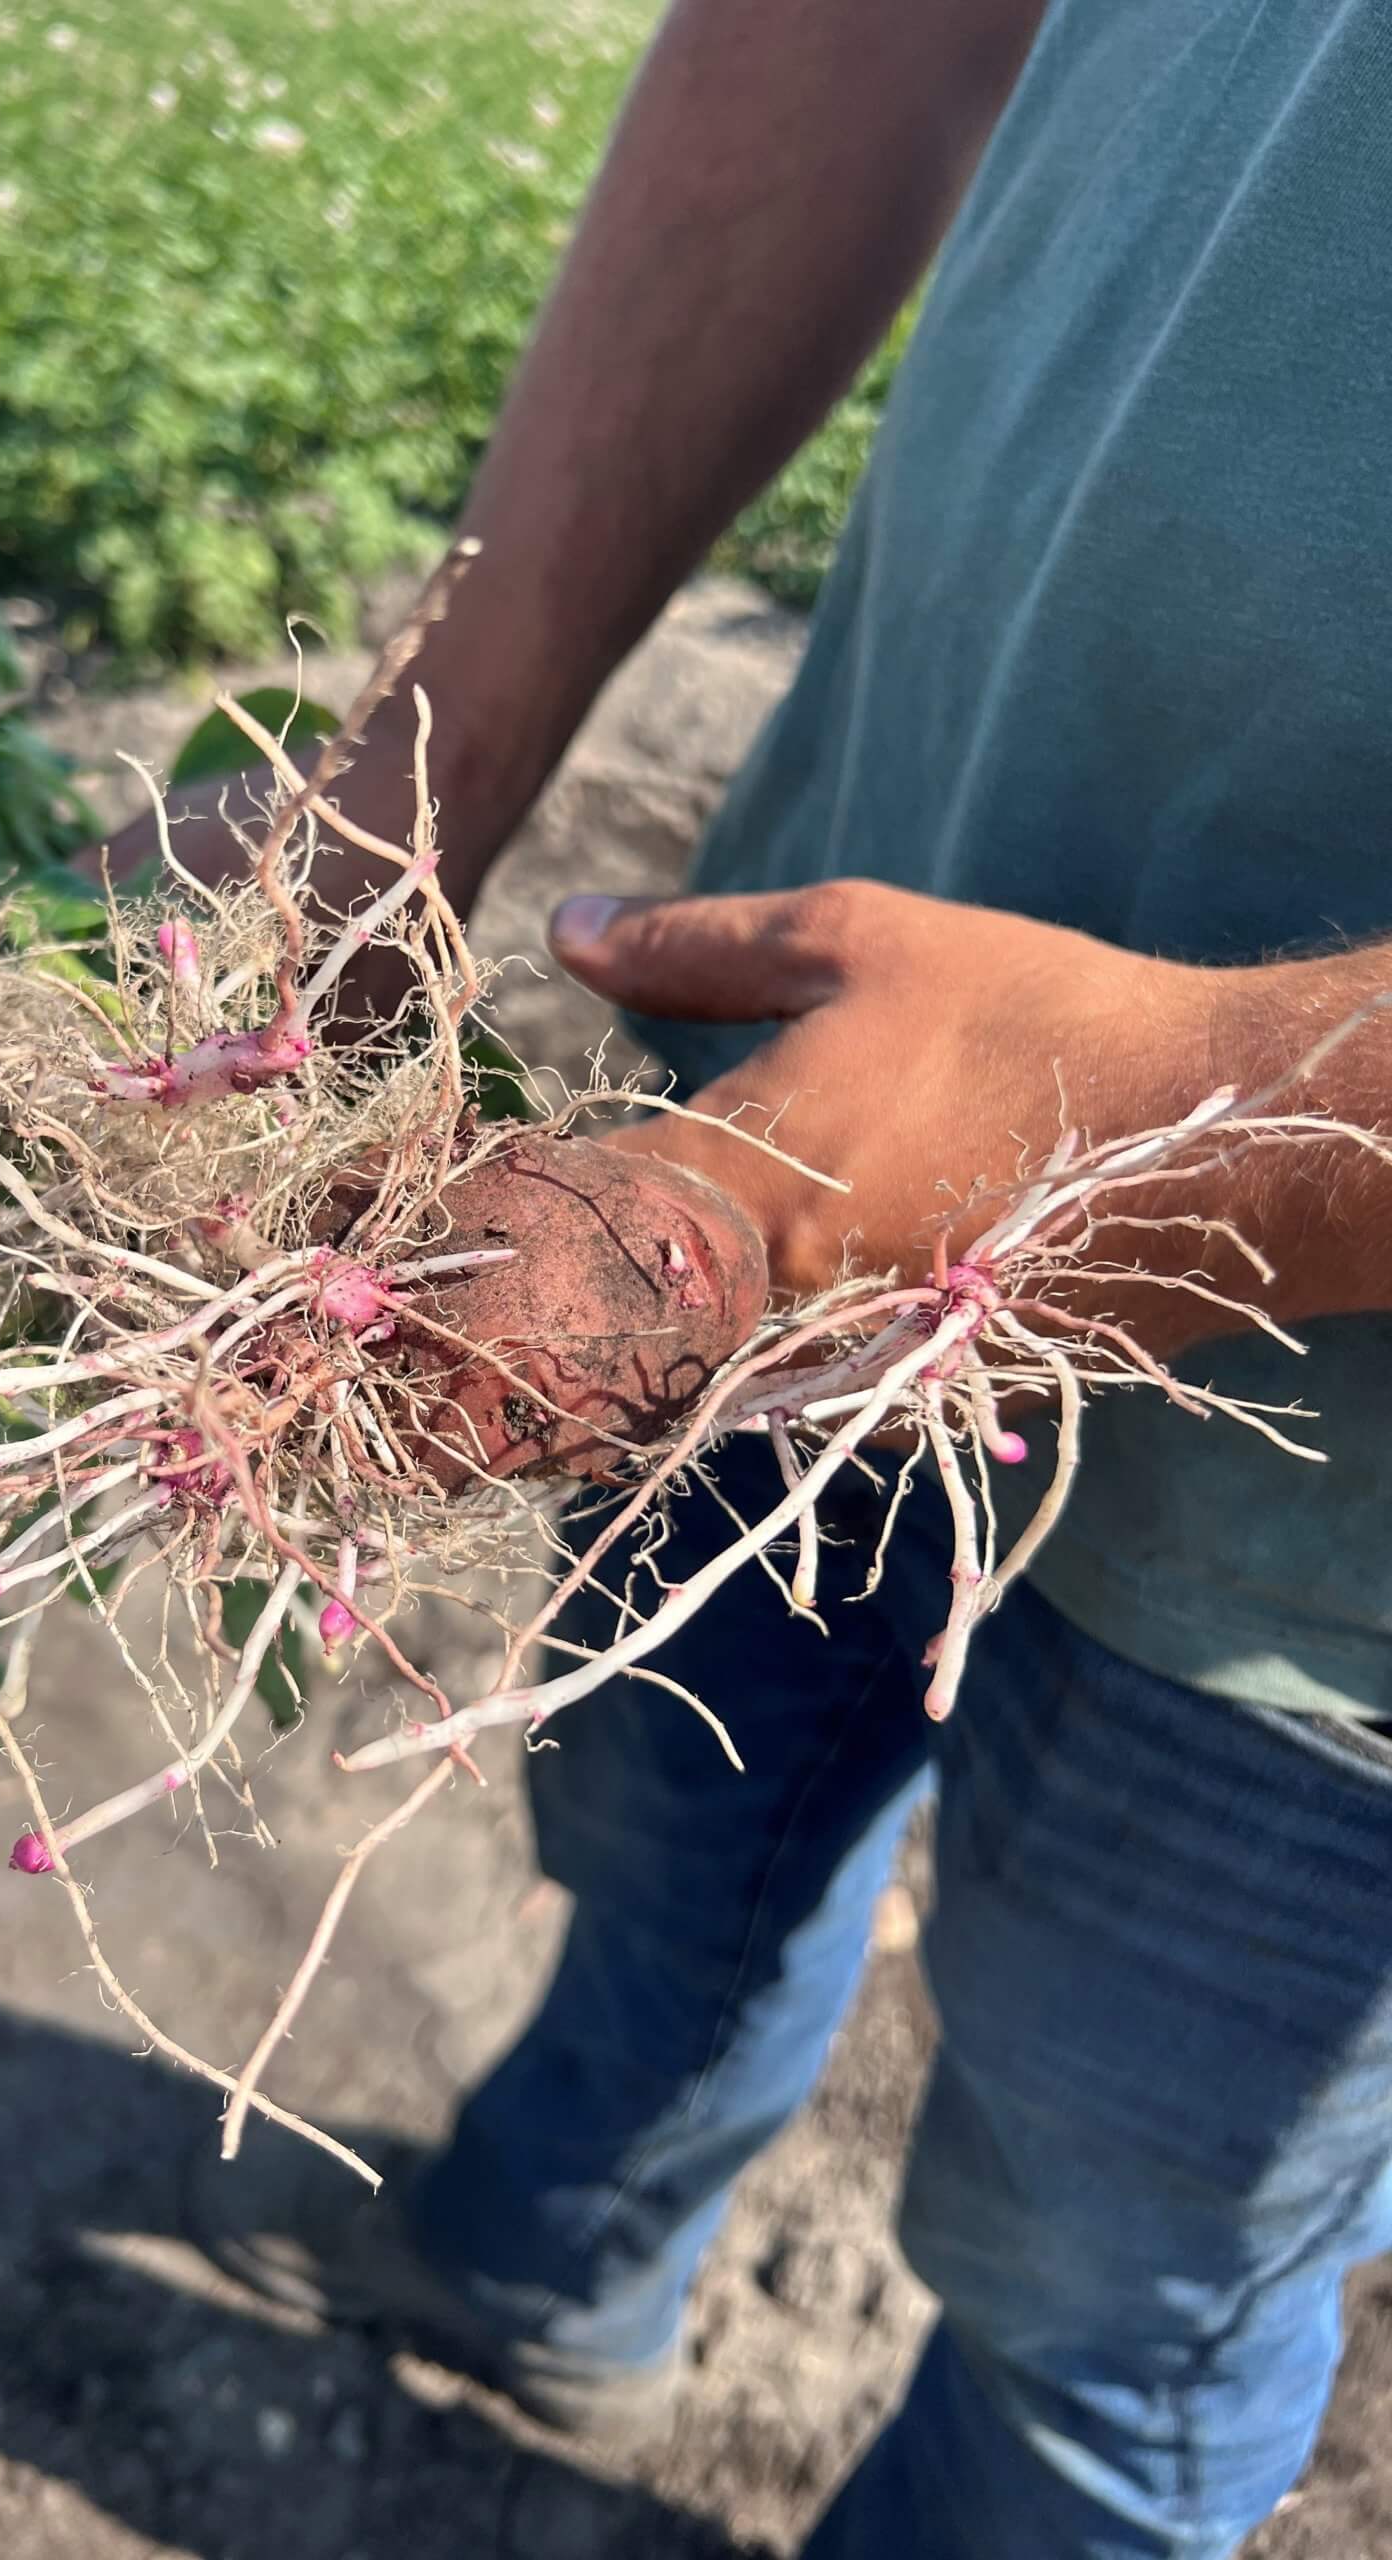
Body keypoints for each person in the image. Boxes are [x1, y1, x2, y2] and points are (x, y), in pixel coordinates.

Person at [93, 4, 1392, 2552]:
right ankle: (542, 2268)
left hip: (1341, 1532)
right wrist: (418, 754)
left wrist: (1153, 1126)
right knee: (667, 1818)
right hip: (815, 1055)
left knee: (1118, 2268)